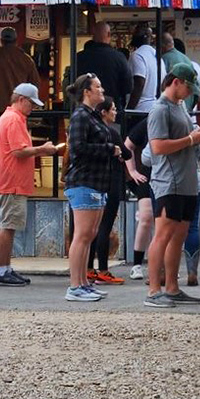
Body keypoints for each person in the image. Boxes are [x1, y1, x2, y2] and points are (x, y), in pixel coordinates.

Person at [144, 64, 200, 308]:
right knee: (162, 235)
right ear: (176, 82)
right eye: (187, 86)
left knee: (178, 237)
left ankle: (172, 287)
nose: (189, 92)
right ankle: (153, 290)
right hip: (168, 182)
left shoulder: (180, 106)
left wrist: (196, 137)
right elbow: (158, 147)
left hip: (186, 181)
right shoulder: (159, 109)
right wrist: (191, 139)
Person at [0, 83, 61, 287]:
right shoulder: (13, 119)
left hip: (10, 180)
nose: (33, 108)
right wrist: (43, 149)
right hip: (11, 181)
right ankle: (1, 269)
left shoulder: (11, 117)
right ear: (21, 100)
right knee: (8, 225)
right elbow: (18, 151)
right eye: (31, 103)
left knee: (9, 225)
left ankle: (5, 267)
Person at [64, 75, 120, 302]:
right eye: (98, 86)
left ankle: (84, 282)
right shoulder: (80, 116)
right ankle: (74, 285)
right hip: (84, 180)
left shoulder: (93, 116)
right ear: (87, 91)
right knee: (82, 235)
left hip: (97, 181)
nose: (102, 90)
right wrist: (109, 149)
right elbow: (77, 147)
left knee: (89, 235)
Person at [86, 96, 131, 284]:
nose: (115, 112)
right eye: (112, 109)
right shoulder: (111, 133)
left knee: (92, 228)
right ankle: (103, 269)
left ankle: (89, 268)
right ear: (103, 112)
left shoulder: (93, 131)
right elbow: (127, 154)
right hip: (111, 180)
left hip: (95, 181)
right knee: (104, 226)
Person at [0, 27, 41, 117]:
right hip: (18, 108)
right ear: (16, 40)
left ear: (1, 41)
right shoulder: (26, 59)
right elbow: (35, 85)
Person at [76, 21, 133, 113]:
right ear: (109, 34)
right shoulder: (119, 57)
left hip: (86, 111)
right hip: (111, 111)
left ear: (93, 36)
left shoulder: (79, 58)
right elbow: (128, 87)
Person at [182, 115, 200, 286]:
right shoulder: (197, 129)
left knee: (168, 229)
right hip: (195, 181)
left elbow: (147, 158)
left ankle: (164, 273)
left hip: (171, 182)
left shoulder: (166, 125)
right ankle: (192, 271)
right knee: (192, 227)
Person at [123, 117, 153, 280]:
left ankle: (164, 265)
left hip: (170, 175)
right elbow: (128, 145)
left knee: (167, 222)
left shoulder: (180, 119)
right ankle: (137, 264)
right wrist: (133, 171)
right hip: (148, 175)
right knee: (145, 218)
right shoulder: (149, 121)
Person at [127, 27, 166, 114]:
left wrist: (129, 110)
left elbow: (139, 83)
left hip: (141, 109)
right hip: (157, 107)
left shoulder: (137, 56)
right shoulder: (158, 57)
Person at [162, 33, 199, 111]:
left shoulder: (164, 59)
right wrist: (190, 109)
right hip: (186, 111)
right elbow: (197, 91)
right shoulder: (187, 59)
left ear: (162, 46)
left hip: (171, 109)